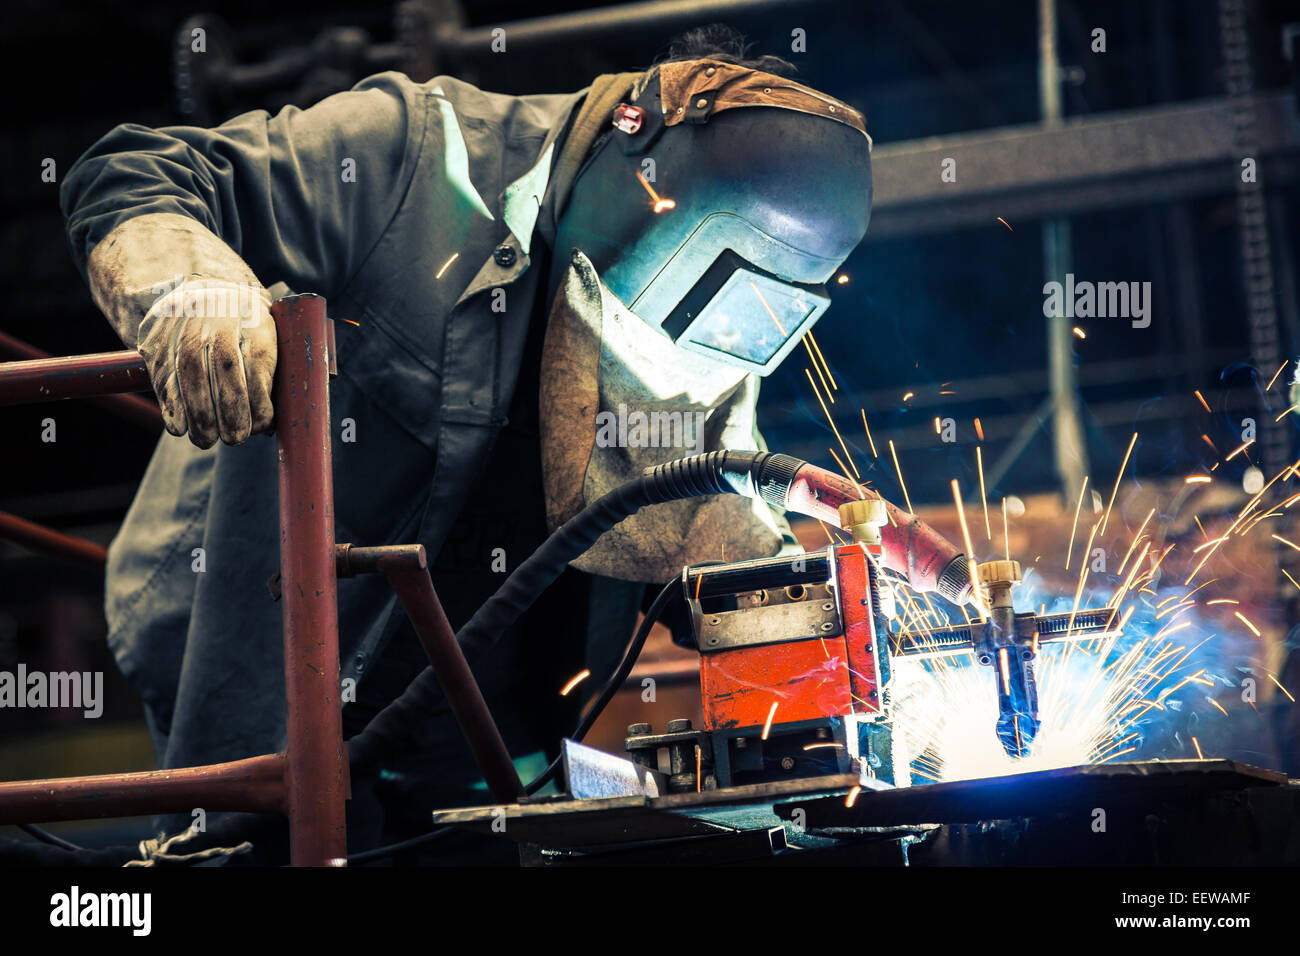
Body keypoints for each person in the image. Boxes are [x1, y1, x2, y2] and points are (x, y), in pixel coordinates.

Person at [60, 25, 874, 863]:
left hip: (496, 748)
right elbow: (134, 170)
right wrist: (192, 288)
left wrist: (779, 608)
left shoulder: (722, 326)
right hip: (267, 669)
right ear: (636, 152)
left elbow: (694, 516)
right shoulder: (415, 154)